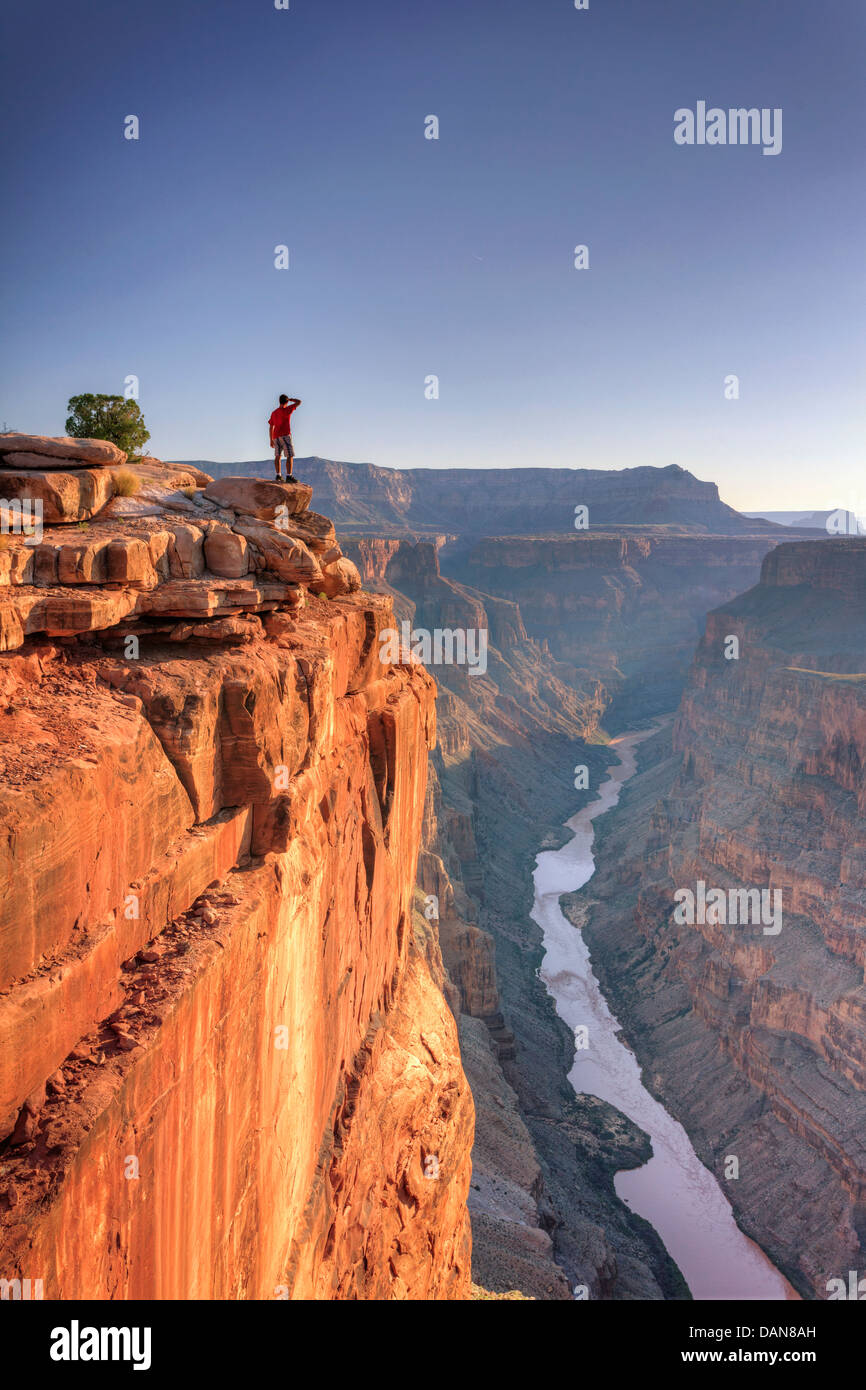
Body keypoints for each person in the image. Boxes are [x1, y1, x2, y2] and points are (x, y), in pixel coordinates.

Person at [268, 393, 301, 480]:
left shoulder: (274, 413)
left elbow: (271, 426)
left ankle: (278, 475)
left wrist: (271, 440)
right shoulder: (288, 409)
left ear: (279, 401)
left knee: (277, 456)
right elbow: (299, 402)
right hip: (285, 435)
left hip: (276, 436)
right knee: (289, 455)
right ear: (286, 402)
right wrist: (290, 399)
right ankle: (289, 476)